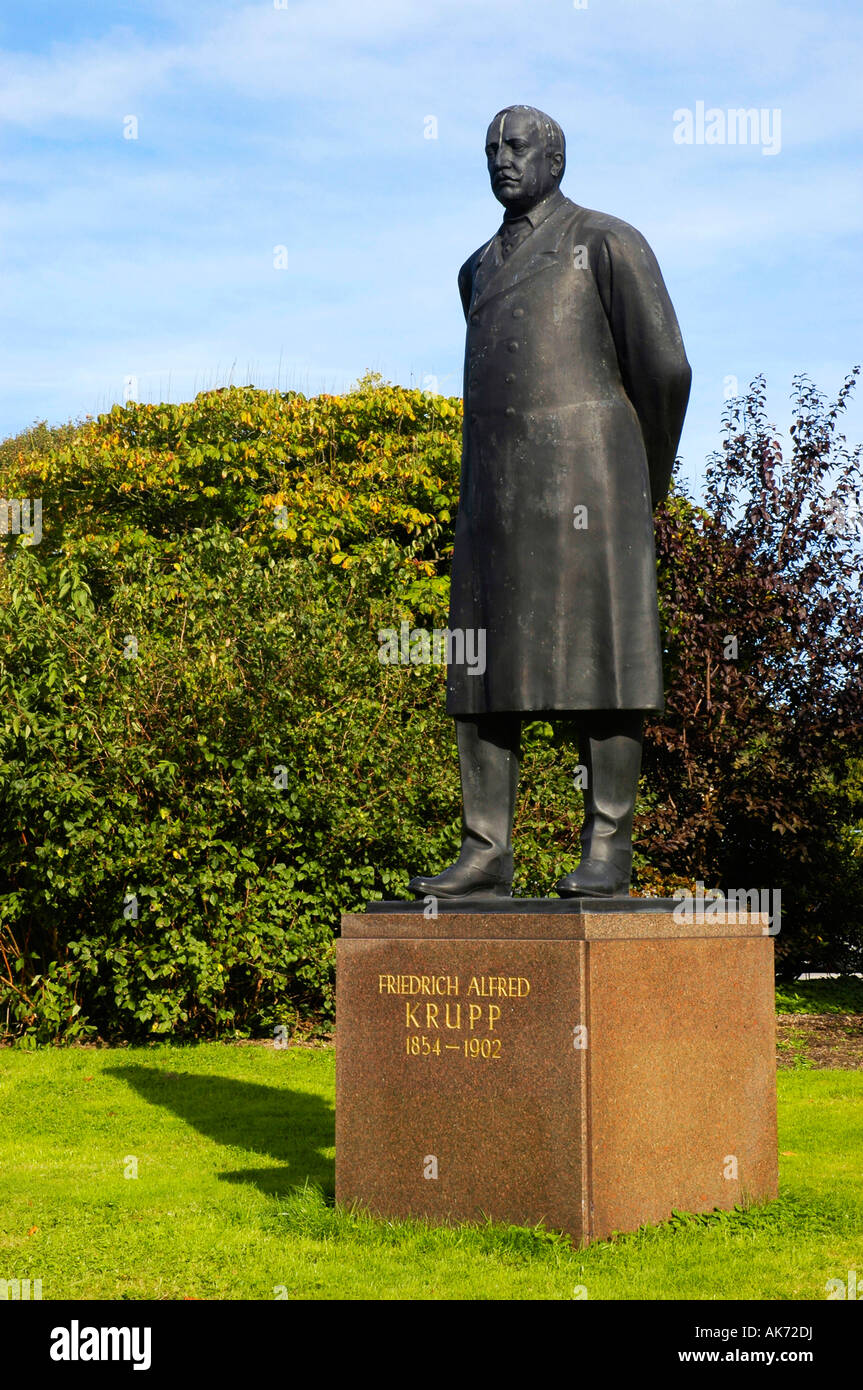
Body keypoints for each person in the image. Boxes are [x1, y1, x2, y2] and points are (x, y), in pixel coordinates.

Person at [409, 105, 691, 900]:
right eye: (491, 148)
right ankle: (484, 849)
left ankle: (608, 845)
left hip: (592, 480)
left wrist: (641, 477)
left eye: (518, 147)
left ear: (554, 160)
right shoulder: (473, 269)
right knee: (482, 666)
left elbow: (665, 369)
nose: (502, 159)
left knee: (601, 659)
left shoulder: (605, 240)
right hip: (495, 491)